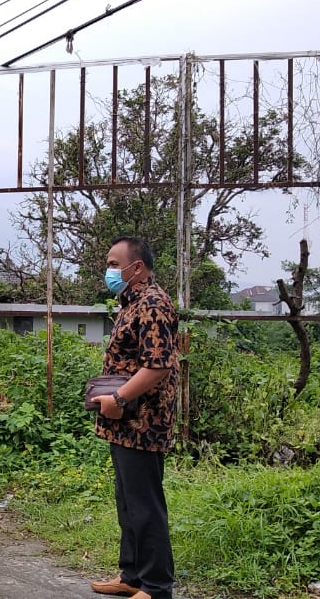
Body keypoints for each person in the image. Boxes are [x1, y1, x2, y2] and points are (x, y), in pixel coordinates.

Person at [86, 236, 179, 599]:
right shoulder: (131, 303)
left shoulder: (153, 304)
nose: (109, 270)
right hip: (124, 422)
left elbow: (156, 367)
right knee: (127, 501)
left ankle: (156, 587)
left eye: (113, 263)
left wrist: (119, 397)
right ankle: (132, 577)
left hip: (145, 422)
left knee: (145, 505)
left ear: (135, 267)